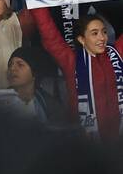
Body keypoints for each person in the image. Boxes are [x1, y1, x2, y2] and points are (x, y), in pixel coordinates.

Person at [31, 9, 123, 137]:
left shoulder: (117, 54)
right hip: (86, 144)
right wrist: (38, 3)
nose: (102, 38)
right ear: (82, 39)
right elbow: (49, 35)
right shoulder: (71, 62)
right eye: (94, 33)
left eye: (104, 32)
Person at [5, 46, 56, 122]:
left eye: (20, 64)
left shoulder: (49, 104)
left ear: (34, 72)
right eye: (10, 64)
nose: (12, 68)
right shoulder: (0, 102)